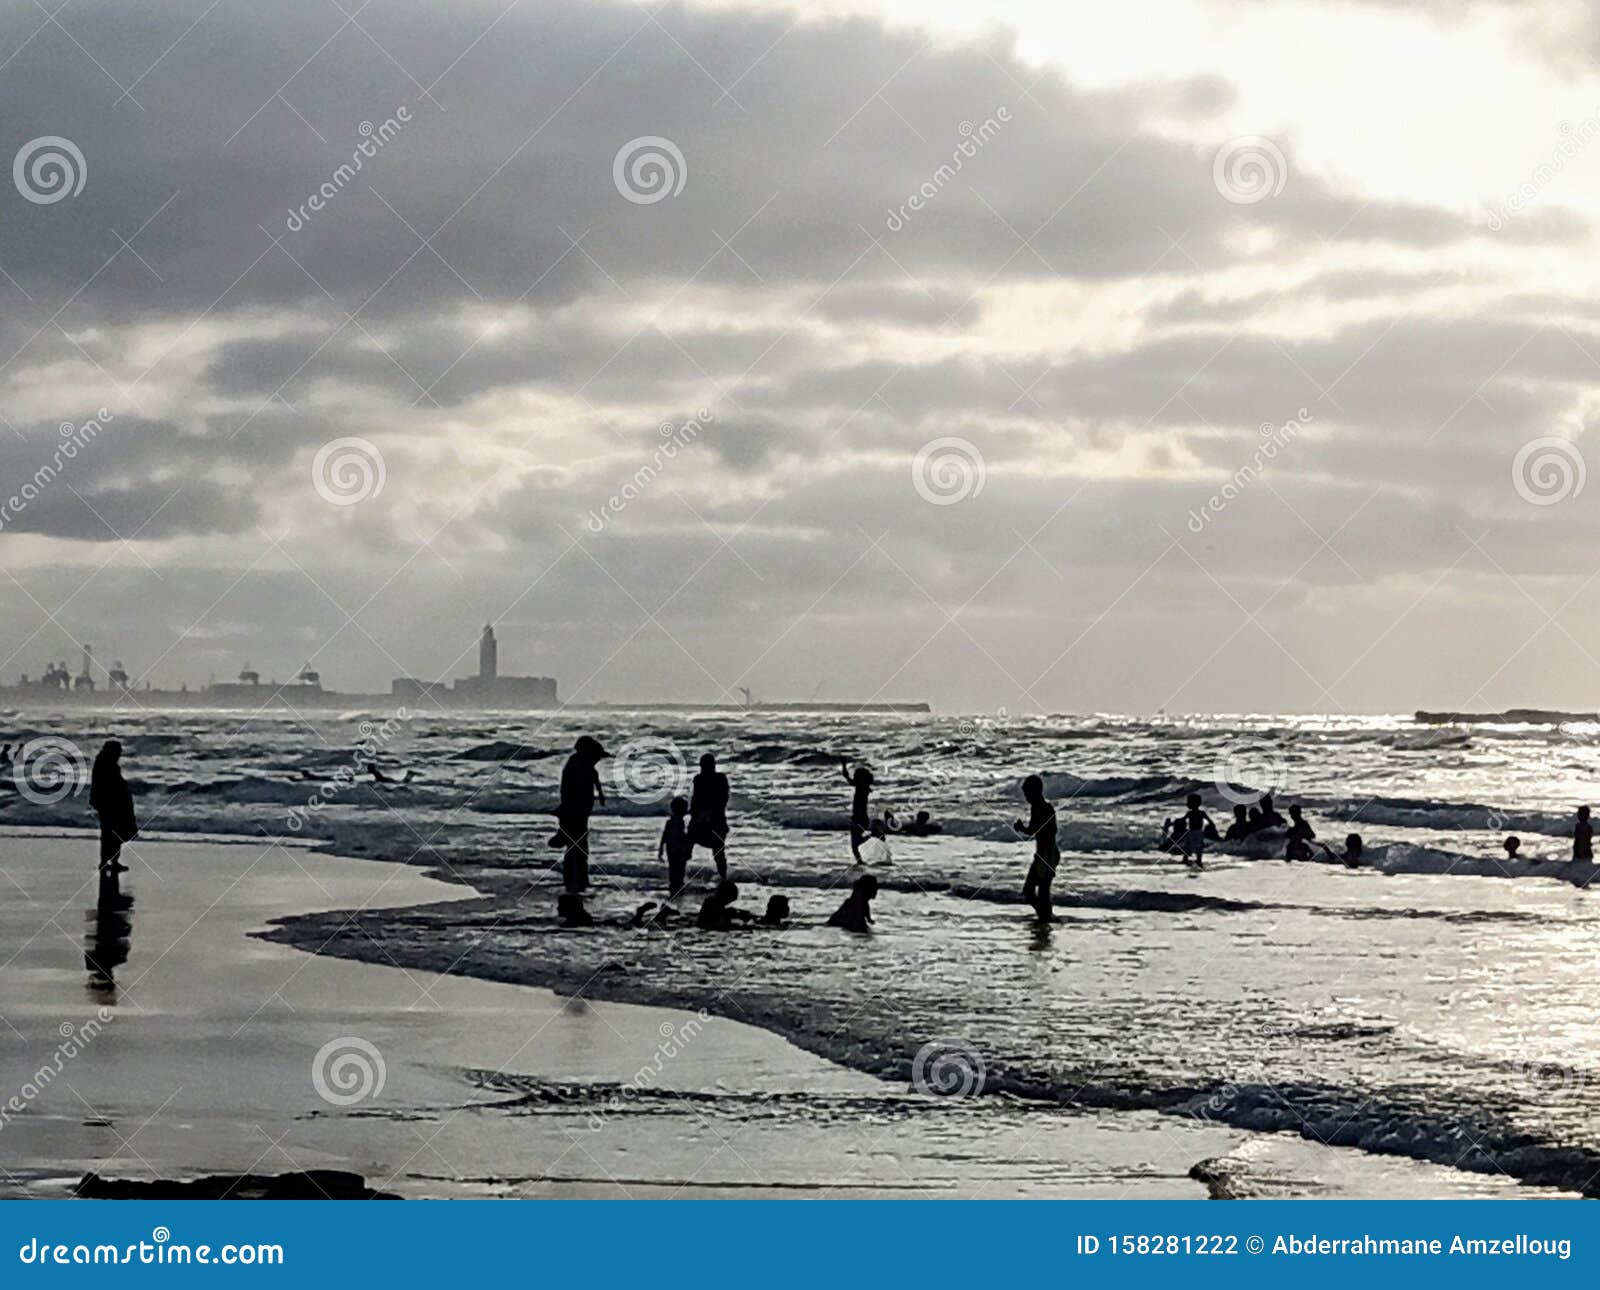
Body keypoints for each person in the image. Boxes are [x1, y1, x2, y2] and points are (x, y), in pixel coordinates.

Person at [552, 736, 608, 892]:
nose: (597, 760)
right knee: (578, 847)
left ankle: (575, 880)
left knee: (576, 846)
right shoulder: (578, 766)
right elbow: (570, 791)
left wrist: (600, 794)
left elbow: (595, 780)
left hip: (579, 812)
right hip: (574, 812)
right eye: (596, 757)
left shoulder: (581, 765)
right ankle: (576, 881)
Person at [1013, 774, 1059, 922]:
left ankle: (1045, 916)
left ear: (1035, 792)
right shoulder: (1039, 807)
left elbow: (1048, 830)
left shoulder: (1043, 807)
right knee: (1036, 890)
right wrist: (1025, 828)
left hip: (1047, 854)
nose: (1026, 797)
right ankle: (1045, 916)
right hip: (1045, 854)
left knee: (1037, 890)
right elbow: (1035, 830)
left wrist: (1022, 828)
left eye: (1027, 794)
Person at [88, 739, 137, 872]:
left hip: (110, 803)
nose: (120, 753)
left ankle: (111, 860)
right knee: (111, 833)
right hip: (109, 804)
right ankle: (107, 861)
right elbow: (103, 785)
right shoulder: (106, 763)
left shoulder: (105, 762)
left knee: (112, 833)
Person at [689, 753, 731, 880]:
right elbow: (695, 799)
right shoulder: (698, 779)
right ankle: (680, 874)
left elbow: (723, 798)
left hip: (716, 820)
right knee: (687, 843)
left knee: (718, 852)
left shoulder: (720, 778)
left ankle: (724, 878)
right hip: (700, 819)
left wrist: (710, 811)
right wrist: (694, 814)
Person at [657, 796, 693, 896]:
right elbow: (682, 837)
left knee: (674, 870)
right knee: (679, 869)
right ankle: (677, 888)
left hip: (672, 849)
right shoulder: (679, 823)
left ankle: (675, 887)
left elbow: (664, 836)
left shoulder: (671, 822)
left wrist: (660, 849)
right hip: (678, 849)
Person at [839, 758, 875, 862]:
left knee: (855, 844)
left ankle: (873, 836)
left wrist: (844, 765)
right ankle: (860, 861)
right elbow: (847, 777)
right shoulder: (863, 788)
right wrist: (844, 766)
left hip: (859, 817)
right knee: (855, 844)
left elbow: (848, 778)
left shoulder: (861, 788)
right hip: (861, 817)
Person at [1177, 792, 1216, 867]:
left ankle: (1186, 859)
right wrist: (1211, 826)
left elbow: (1183, 820)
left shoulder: (1190, 813)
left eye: (1189, 802)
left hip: (1192, 831)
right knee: (1198, 847)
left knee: (1188, 846)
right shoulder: (1201, 813)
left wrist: (1176, 822)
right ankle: (1198, 860)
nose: (1187, 804)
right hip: (1199, 832)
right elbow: (1210, 821)